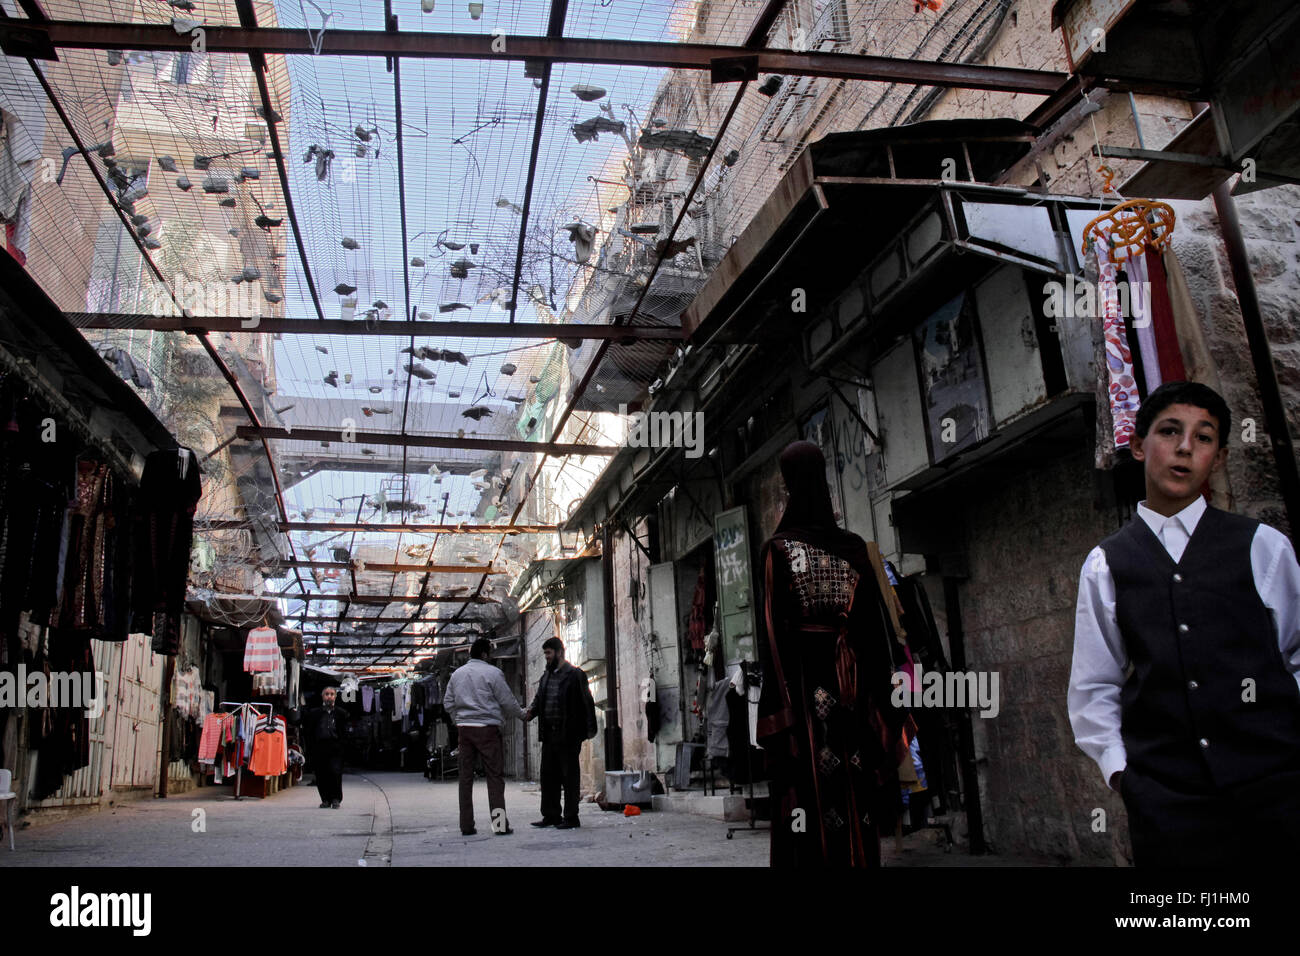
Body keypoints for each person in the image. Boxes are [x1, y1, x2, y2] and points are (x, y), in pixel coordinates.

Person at [1069, 381, 1300, 866]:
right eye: (1170, 431)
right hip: (1167, 805)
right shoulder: (1106, 563)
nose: (1184, 448)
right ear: (1137, 445)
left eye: (1203, 437)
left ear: (1217, 458)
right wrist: (1123, 775)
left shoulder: (1263, 546)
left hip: (1276, 793)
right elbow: (1094, 684)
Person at [755, 441, 905, 867]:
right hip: (854, 692)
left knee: (809, 797)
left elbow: (773, 640)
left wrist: (779, 716)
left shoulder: (777, 552)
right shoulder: (855, 547)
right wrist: (885, 706)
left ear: (788, 486)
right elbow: (875, 636)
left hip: (805, 697)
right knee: (855, 792)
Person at [443, 637, 527, 836]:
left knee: (465, 779)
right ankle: (499, 825)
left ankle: (466, 826)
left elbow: (448, 702)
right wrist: (523, 715)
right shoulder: (493, 673)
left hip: (465, 730)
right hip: (488, 730)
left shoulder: (457, 674)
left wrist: (459, 720)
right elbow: (507, 701)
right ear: (484, 654)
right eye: (489, 652)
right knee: (494, 779)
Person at [522, 637, 598, 829]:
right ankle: (551, 815)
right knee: (548, 776)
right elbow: (539, 700)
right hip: (549, 735)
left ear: (559, 652)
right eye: (545, 653)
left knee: (569, 777)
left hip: (569, 734)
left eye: (549, 653)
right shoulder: (546, 676)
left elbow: (586, 702)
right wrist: (529, 712)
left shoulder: (575, 675)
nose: (546, 657)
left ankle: (571, 817)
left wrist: (588, 730)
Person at [301, 685, 349, 809]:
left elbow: (344, 732)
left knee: (335, 772)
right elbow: (309, 731)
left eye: (332, 694)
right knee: (321, 773)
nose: (329, 697)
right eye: (327, 694)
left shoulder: (341, 713)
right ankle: (325, 799)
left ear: (335, 697)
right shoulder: (315, 713)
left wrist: (342, 747)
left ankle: (336, 798)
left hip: (335, 747)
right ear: (323, 697)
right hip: (320, 747)